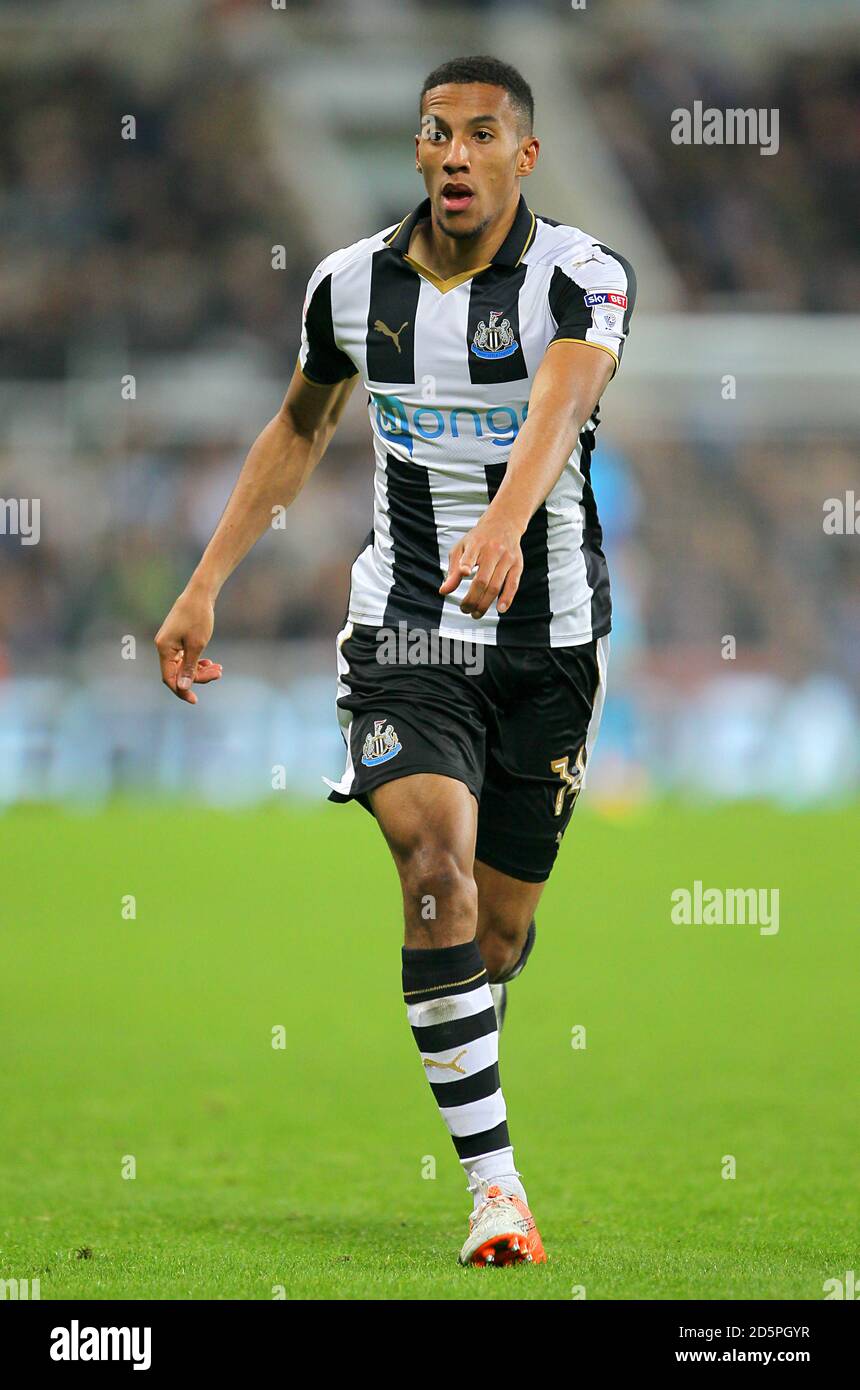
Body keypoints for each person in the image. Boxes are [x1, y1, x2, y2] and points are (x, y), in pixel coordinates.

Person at [155, 53, 635, 1267]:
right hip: (405, 634)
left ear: (523, 156)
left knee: (495, 935)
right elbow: (300, 425)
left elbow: (560, 407)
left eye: (481, 135)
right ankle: (496, 1189)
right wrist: (206, 581)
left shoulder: (580, 276)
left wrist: (505, 520)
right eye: (437, 134)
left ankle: (463, 1032)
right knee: (432, 863)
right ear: (415, 152)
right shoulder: (347, 285)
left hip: (549, 640)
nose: (455, 154)